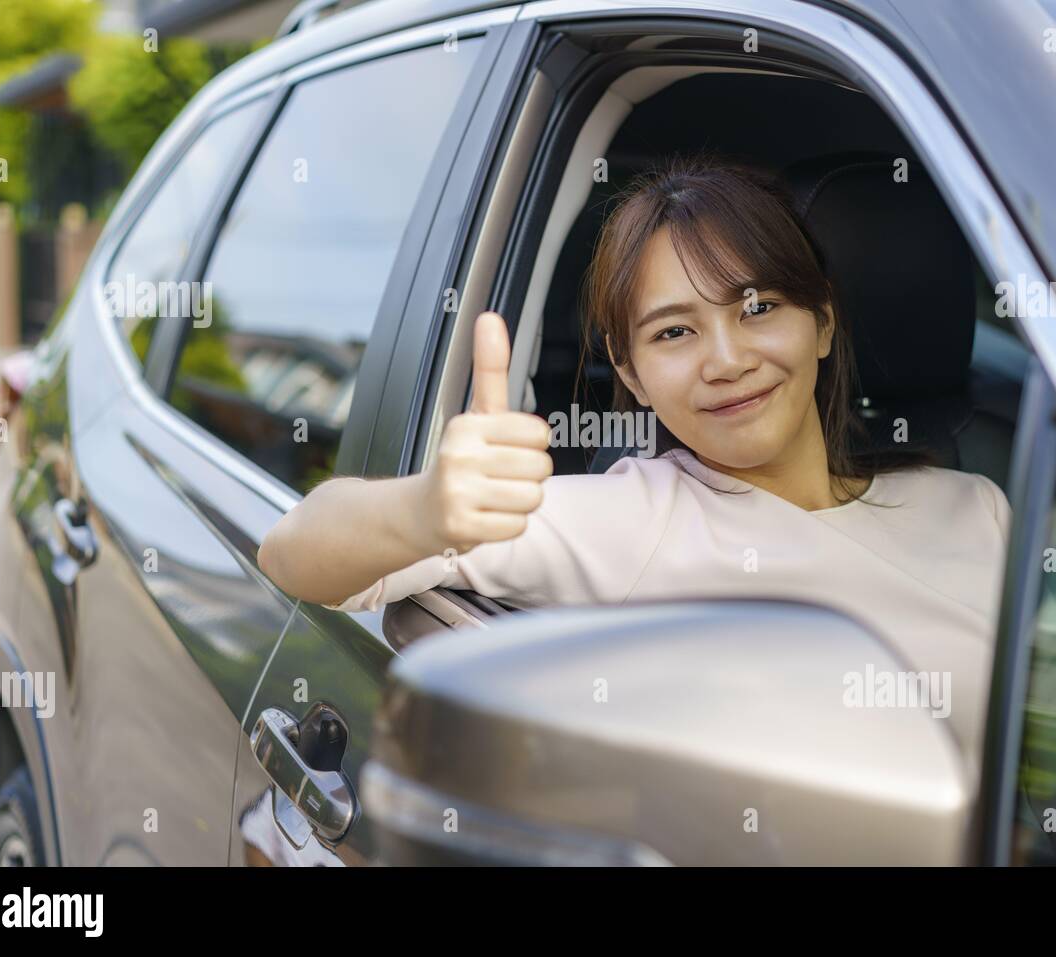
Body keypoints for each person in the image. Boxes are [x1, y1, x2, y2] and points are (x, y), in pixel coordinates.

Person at [258, 157, 1011, 770]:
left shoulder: (978, 507)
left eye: (757, 309)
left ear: (822, 319)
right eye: (675, 332)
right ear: (631, 369)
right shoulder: (633, 521)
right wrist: (425, 509)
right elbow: (293, 551)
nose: (726, 360)